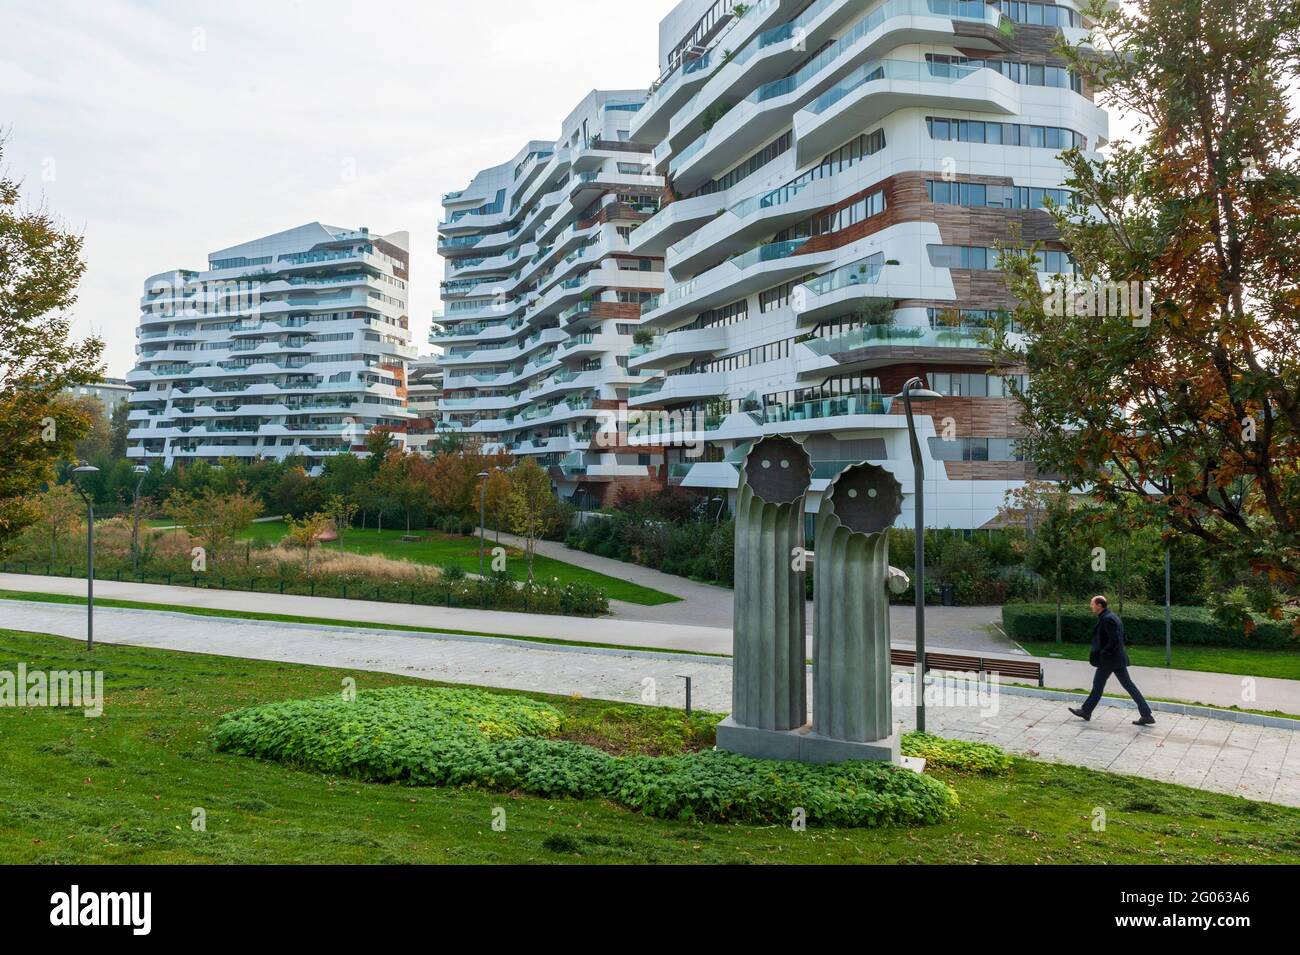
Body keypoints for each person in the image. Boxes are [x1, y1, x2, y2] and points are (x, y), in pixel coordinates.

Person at [1069, 595, 1155, 726]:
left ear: (1099, 605)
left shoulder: (1108, 619)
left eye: (1092, 604)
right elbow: (1122, 636)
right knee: (1127, 686)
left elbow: (1115, 639)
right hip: (1115, 659)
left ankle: (1086, 711)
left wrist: (1104, 652)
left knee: (1099, 685)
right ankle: (1146, 714)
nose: (1090, 606)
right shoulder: (1110, 616)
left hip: (1109, 660)